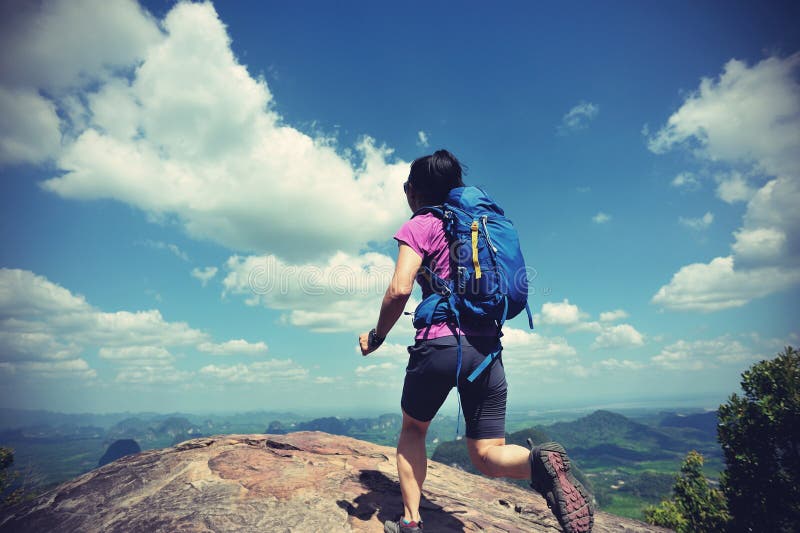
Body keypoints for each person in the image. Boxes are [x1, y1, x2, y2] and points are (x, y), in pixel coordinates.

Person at [359, 150, 593, 533]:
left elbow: (400, 289)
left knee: (414, 429)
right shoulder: (483, 225)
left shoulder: (421, 225)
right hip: (486, 351)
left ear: (413, 191)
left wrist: (377, 336)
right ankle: (539, 464)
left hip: (439, 346)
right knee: (486, 453)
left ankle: (411, 523)